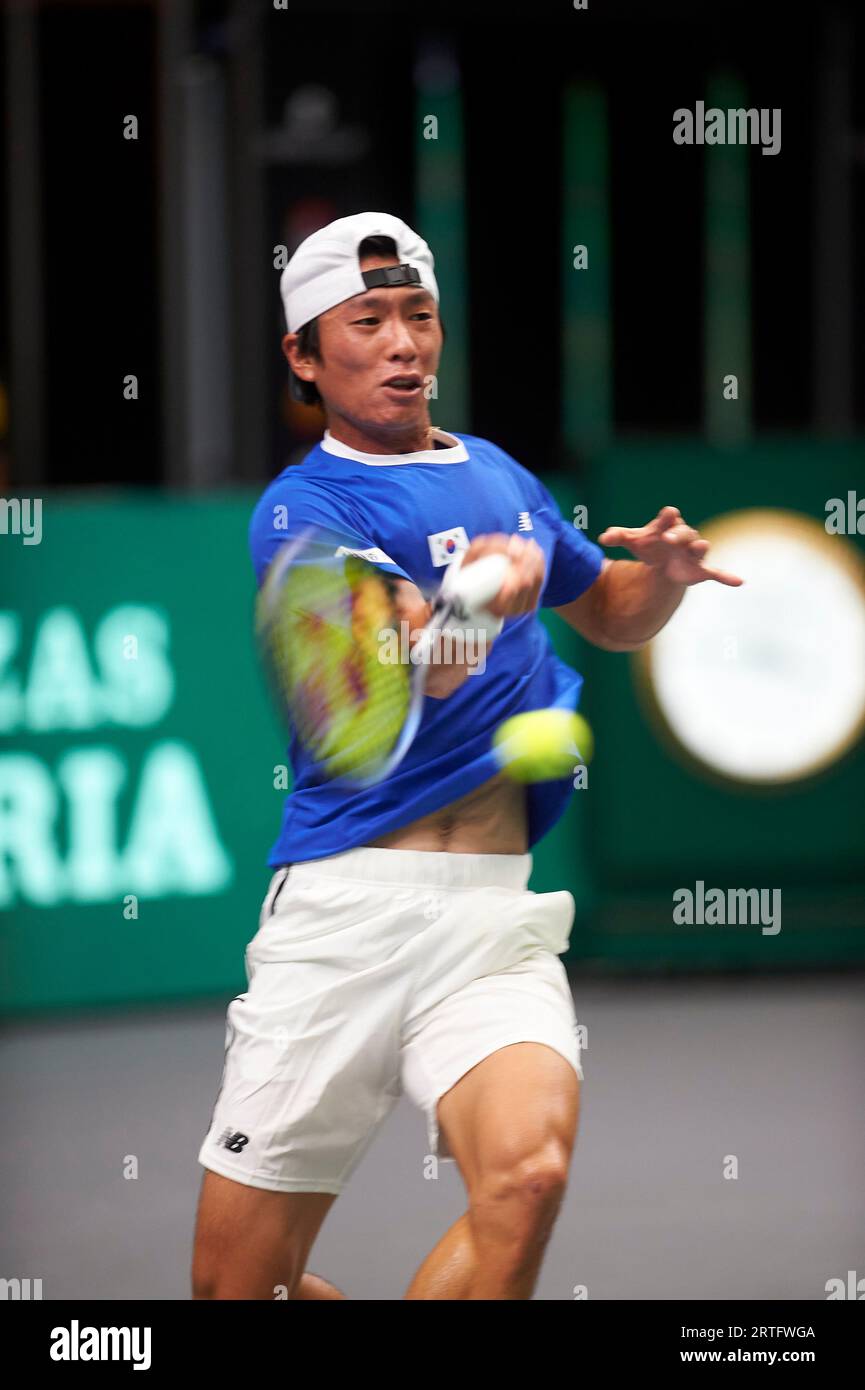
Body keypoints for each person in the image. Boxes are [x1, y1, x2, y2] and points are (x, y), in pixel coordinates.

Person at [192, 212, 742, 1301]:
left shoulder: (501, 475)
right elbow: (413, 673)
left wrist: (664, 577)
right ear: (305, 356)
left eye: (419, 316)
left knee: (526, 1177)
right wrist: (482, 595)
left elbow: (610, 612)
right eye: (367, 322)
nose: (402, 343)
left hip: (492, 914)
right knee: (234, 1288)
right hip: (345, 918)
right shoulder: (305, 510)